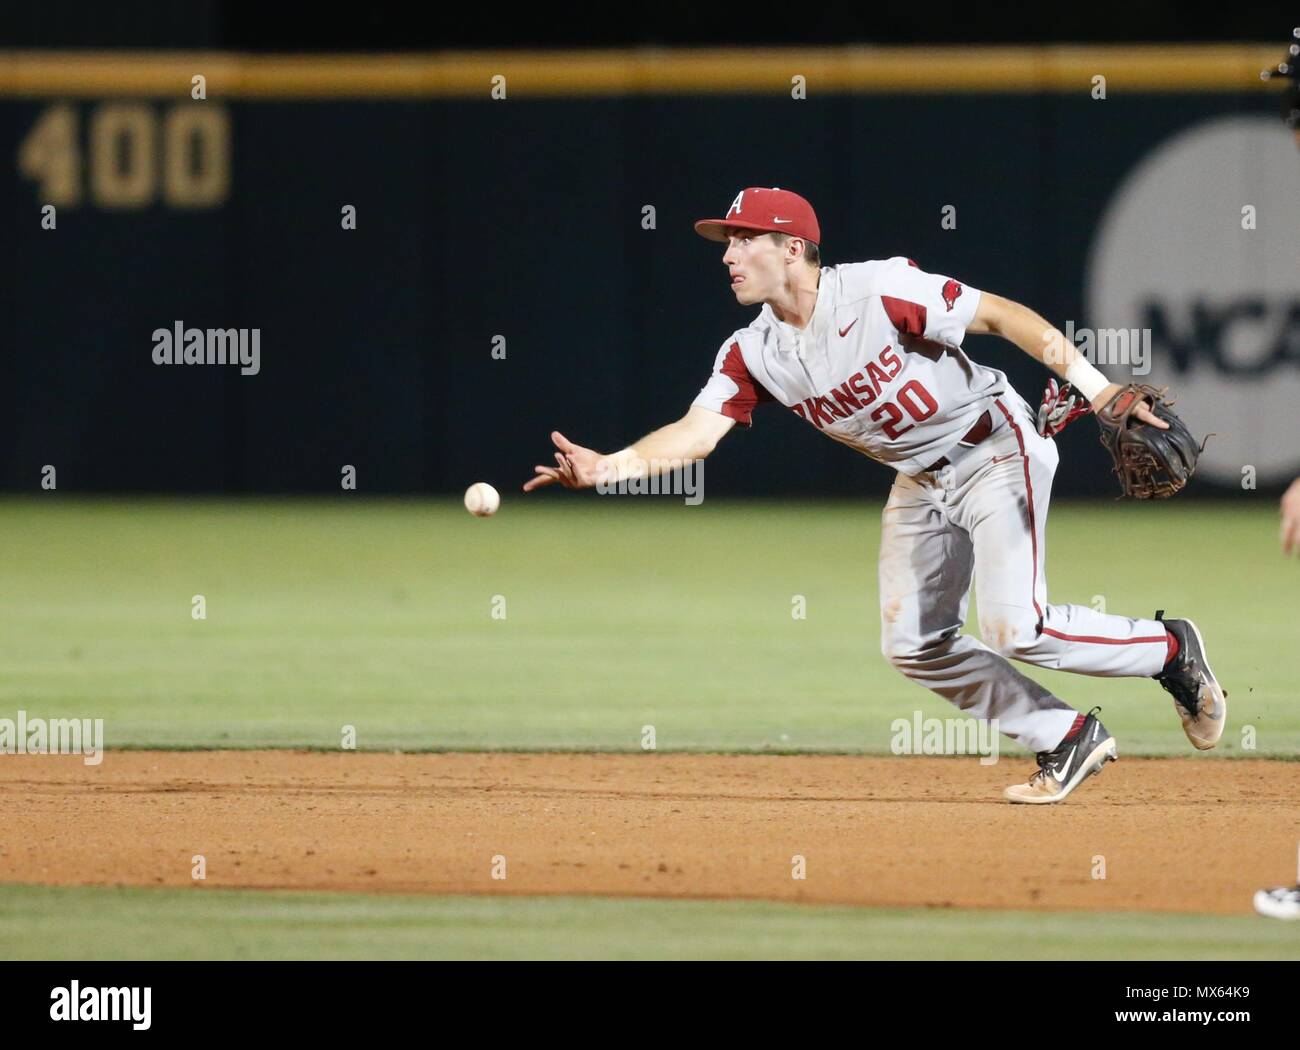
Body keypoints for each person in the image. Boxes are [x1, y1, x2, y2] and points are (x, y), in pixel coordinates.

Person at [524, 187, 1226, 803]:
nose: (727, 255)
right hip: (921, 480)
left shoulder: (878, 290)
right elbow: (697, 435)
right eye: (727, 242)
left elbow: (1004, 317)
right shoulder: (751, 351)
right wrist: (609, 467)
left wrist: (1098, 389)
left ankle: (1168, 650)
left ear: (792, 247)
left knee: (1018, 628)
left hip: (992, 446)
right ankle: (1067, 735)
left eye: (743, 240)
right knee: (913, 643)